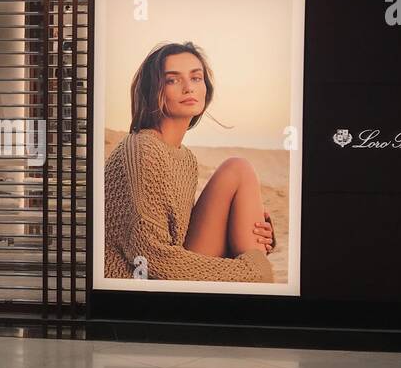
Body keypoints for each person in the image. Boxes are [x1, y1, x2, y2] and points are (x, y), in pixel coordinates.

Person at [104, 41, 274, 282]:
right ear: (153, 91)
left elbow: (181, 236)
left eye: (196, 78)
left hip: (167, 270)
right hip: (135, 286)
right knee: (238, 169)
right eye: (172, 80)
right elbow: (151, 256)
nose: (188, 88)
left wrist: (251, 230)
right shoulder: (143, 149)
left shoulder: (186, 159)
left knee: (237, 169)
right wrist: (250, 271)